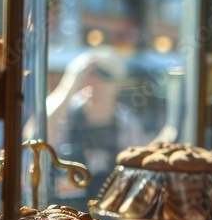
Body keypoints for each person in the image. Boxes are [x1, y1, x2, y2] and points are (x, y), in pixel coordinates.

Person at [44, 49, 147, 209]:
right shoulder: (64, 115)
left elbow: (137, 174)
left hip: (109, 213)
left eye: (103, 77)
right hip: (66, 212)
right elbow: (38, 137)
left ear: (118, 84)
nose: (95, 83)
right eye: (88, 77)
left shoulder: (127, 124)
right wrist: (69, 85)